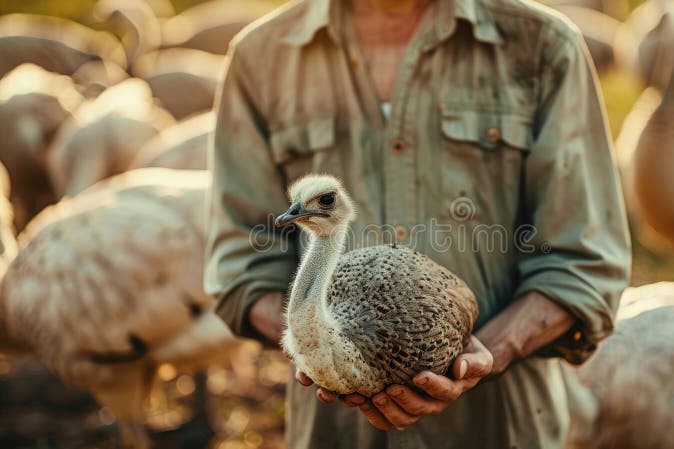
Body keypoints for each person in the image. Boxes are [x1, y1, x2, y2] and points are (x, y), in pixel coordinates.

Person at [205, 0, 631, 447]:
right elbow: (241, 259)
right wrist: (322, 350)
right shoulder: (261, 55)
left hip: (496, 427)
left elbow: (584, 262)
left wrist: (487, 351)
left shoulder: (543, 45)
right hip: (337, 432)